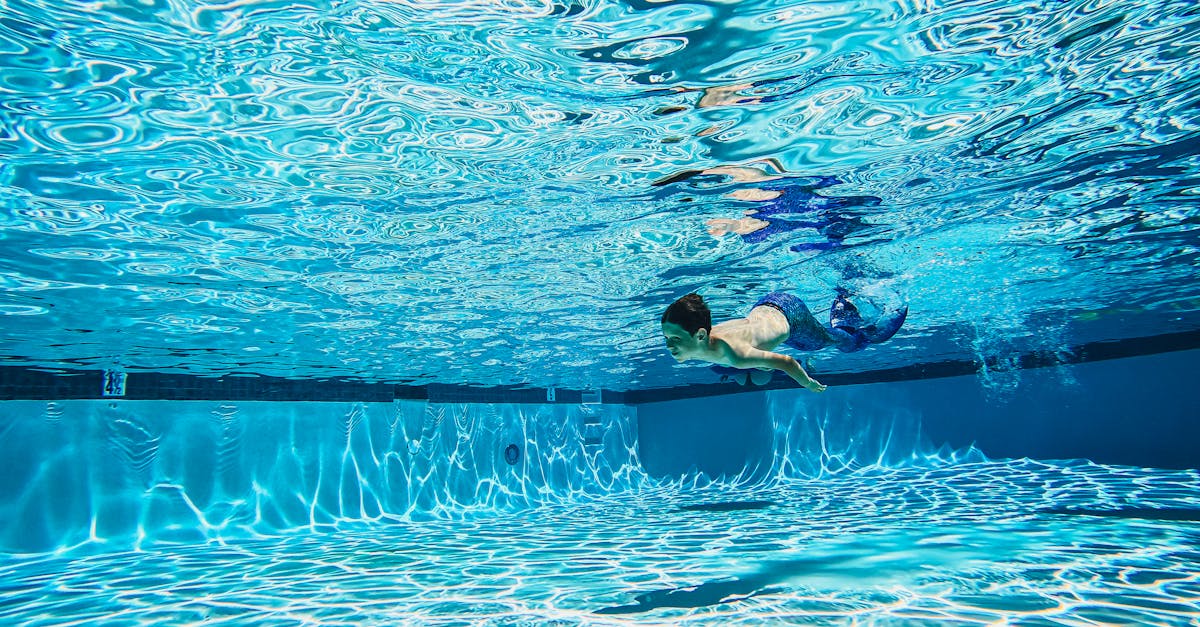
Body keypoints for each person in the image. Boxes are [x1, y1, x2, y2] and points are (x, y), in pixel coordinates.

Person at [660, 291, 907, 391]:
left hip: (792, 317)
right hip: (767, 304)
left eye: (675, 339)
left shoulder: (734, 353)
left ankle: (866, 333)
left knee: (832, 341)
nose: (669, 346)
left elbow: (787, 362)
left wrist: (807, 383)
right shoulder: (707, 343)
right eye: (667, 338)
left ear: (701, 335)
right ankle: (848, 312)